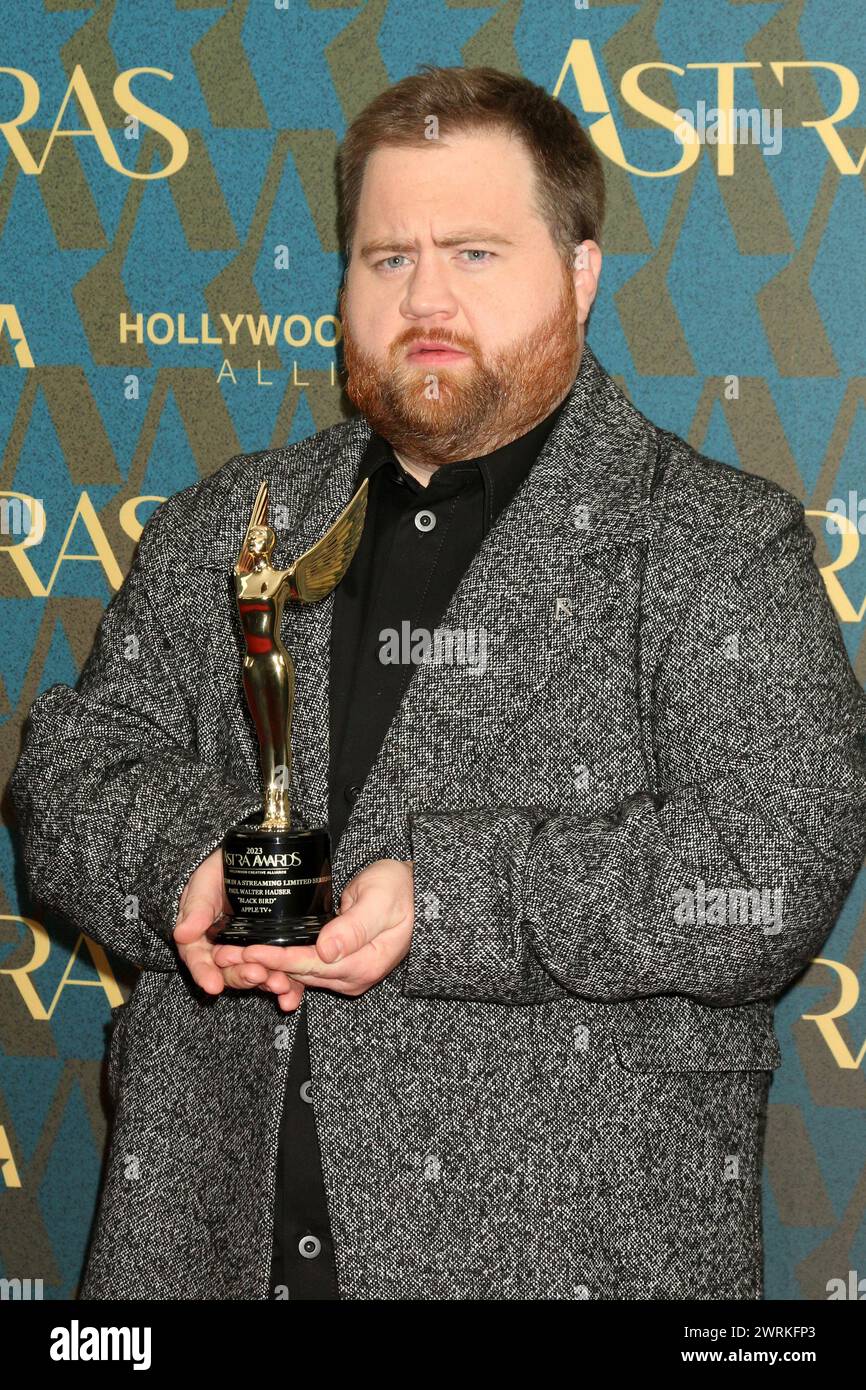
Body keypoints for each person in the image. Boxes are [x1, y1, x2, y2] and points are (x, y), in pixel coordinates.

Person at [11, 65, 866, 1301]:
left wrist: (457, 897)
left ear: (578, 276)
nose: (424, 299)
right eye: (386, 258)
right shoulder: (224, 525)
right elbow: (73, 770)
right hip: (201, 1259)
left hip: (562, 1268)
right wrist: (196, 864)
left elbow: (768, 871)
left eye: (473, 253)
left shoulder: (713, 545)